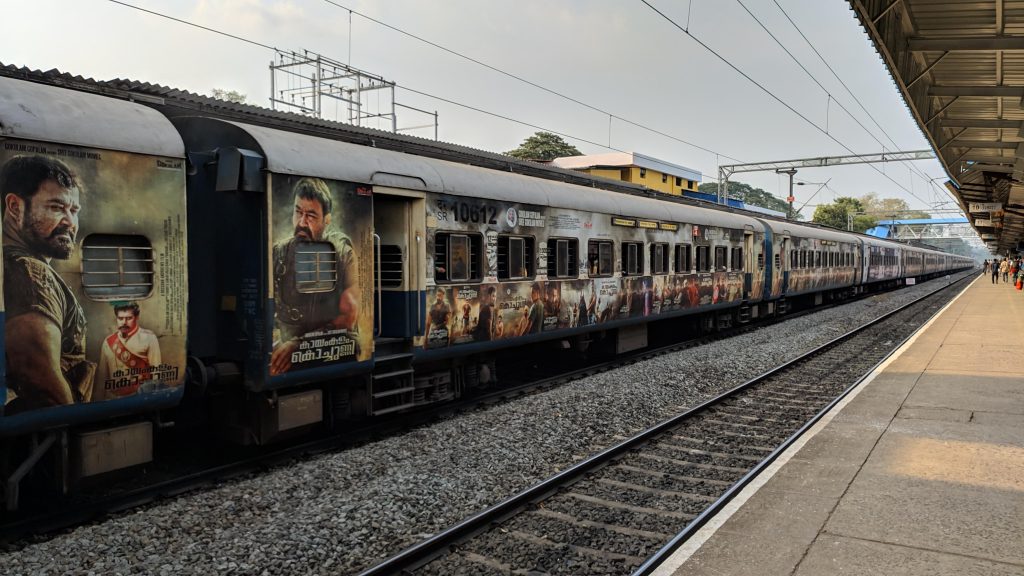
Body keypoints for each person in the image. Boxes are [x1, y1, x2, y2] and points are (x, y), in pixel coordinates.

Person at [1, 155, 94, 411]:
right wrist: (71, 426)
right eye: (56, 207)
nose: (70, 222)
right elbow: (42, 385)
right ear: (15, 207)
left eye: (74, 211)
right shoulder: (31, 272)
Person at [271, 177, 358, 375]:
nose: (302, 222)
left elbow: (348, 318)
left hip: (331, 352)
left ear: (327, 220)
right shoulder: (278, 253)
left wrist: (300, 344)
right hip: (288, 351)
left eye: (311, 215)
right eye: (298, 212)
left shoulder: (343, 254)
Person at [96, 302, 162, 399]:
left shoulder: (149, 338)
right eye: (120, 318)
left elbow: (157, 376)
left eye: (129, 318)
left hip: (139, 399)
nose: (124, 322)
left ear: (137, 317)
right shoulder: (108, 342)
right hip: (114, 400)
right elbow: (101, 381)